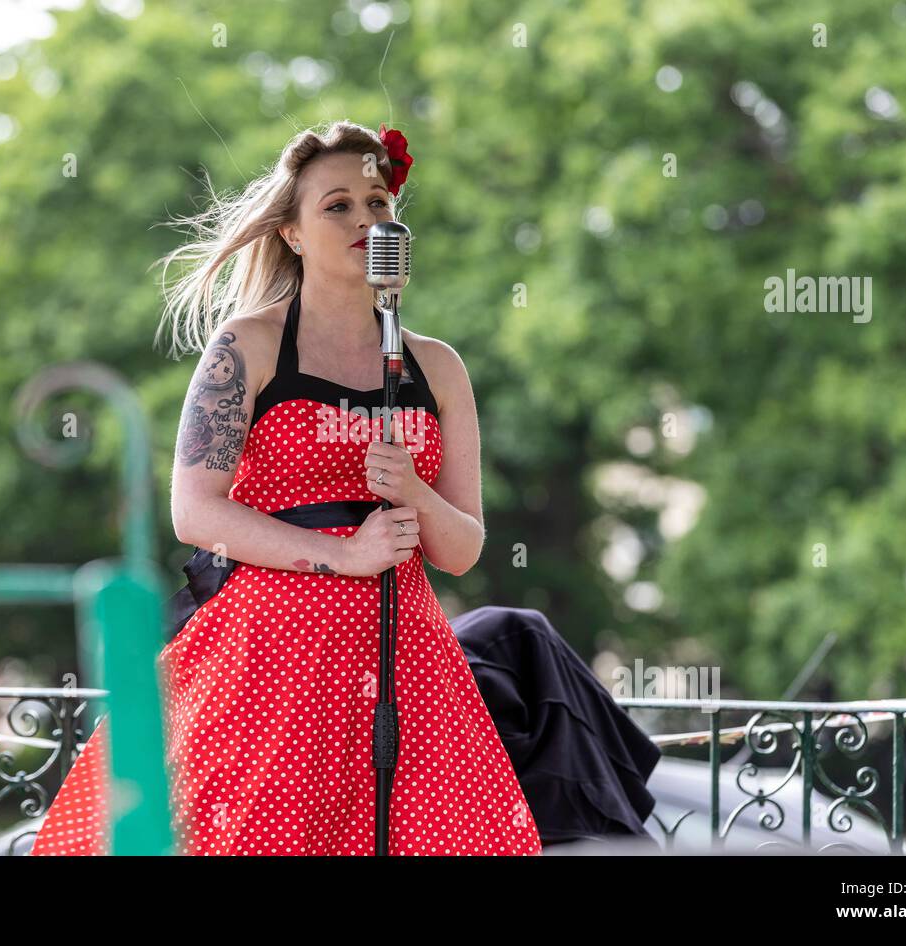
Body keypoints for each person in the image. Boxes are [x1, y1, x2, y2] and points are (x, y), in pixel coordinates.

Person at [31, 119, 543, 855]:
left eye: (378, 203)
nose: (365, 219)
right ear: (294, 233)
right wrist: (346, 554)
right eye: (337, 206)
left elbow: (462, 550)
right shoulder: (251, 343)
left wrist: (417, 496)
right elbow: (193, 510)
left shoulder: (438, 367)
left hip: (407, 661)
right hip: (272, 661)